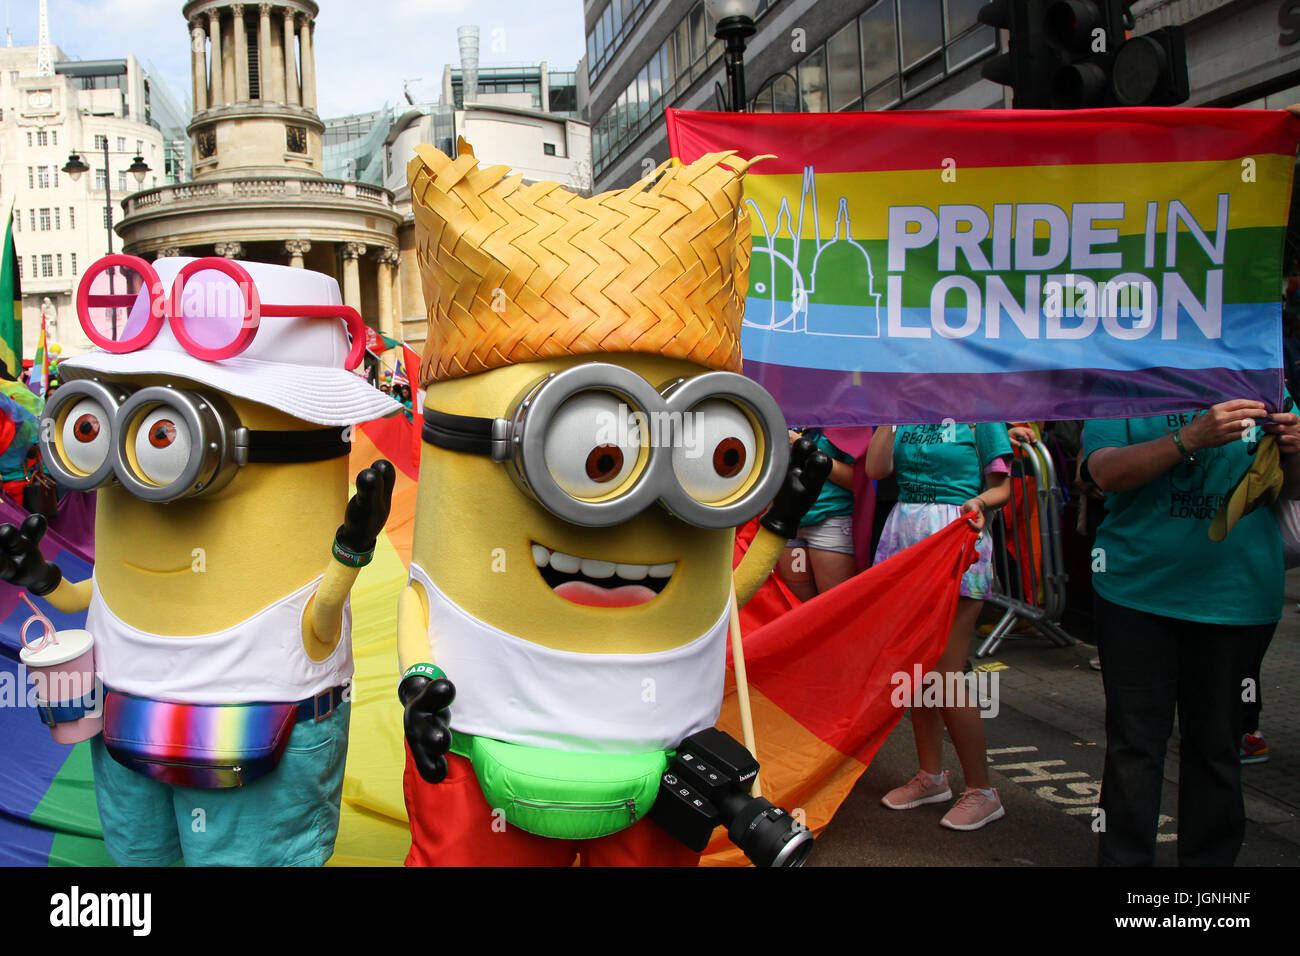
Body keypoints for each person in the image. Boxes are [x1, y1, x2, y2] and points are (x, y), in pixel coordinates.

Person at [1081, 398, 1300, 865]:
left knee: (1217, 750)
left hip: (1236, 599)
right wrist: (1188, 439)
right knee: (1134, 747)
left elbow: (1290, 490)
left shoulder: (1261, 381)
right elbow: (1102, 473)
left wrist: (1295, 451)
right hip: (1135, 594)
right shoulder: (1129, 380)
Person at [865, 420, 1016, 831]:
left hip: (958, 537)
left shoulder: (982, 414)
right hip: (906, 539)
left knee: (946, 672)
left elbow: (1003, 487)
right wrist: (888, 414)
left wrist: (980, 502)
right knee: (916, 669)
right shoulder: (906, 412)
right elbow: (876, 471)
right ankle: (931, 777)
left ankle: (983, 792)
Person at [776, 427, 857, 601]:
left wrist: (808, 450)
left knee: (835, 607)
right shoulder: (783, 415)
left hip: (830, 521)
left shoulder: (848, 418)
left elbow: (857, 481)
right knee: (798, 608)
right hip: (789, 525)